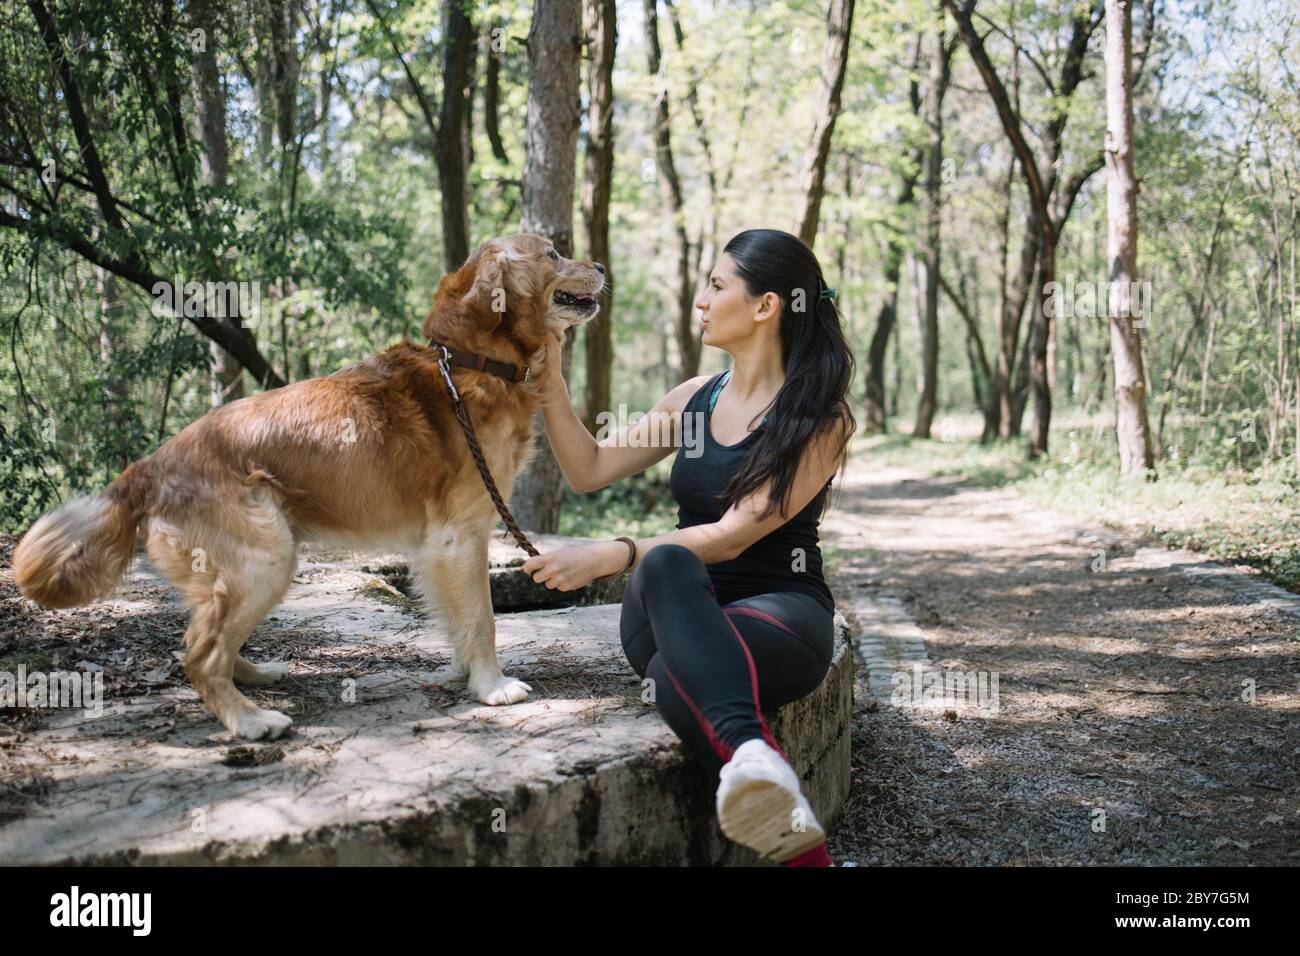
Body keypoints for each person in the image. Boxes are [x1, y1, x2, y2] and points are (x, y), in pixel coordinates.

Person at [522, 228, 856, 866]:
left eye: (716, 285)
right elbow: (589, 468)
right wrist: (552, 382)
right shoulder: (694, 399)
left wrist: (614, 552)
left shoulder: (819, 416)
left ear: (765, 307)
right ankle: (755, 756)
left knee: (676, 682)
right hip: (667, 612)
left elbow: (732, 536)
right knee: (671, 574)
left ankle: (797, 842)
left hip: (778, 613)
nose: (701, 301)